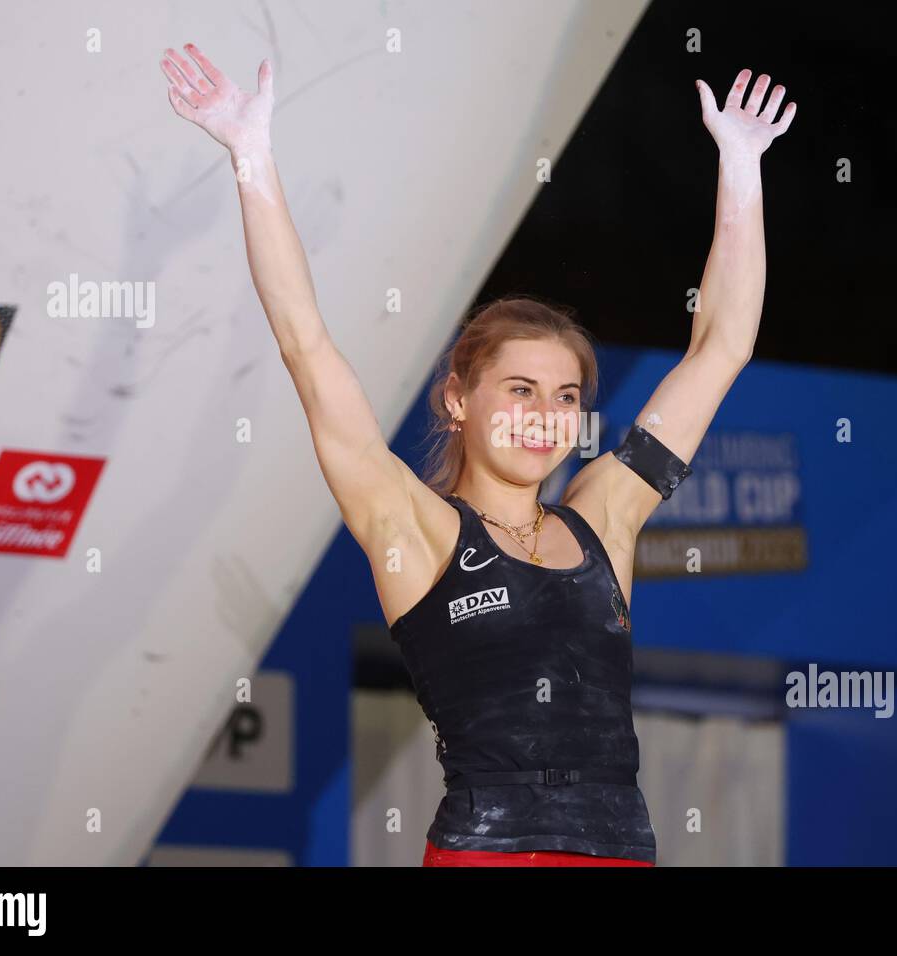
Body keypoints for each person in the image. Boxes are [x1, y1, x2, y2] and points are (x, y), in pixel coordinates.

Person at [160, 43, 795, 866]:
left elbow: (720, 348)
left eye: (566, 398)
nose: (545, 417)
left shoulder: (608, 513)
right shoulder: (413, 529)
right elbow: (306, 347)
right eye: (520, 391)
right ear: (459, 400)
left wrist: (741, 167)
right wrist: (251, 158)